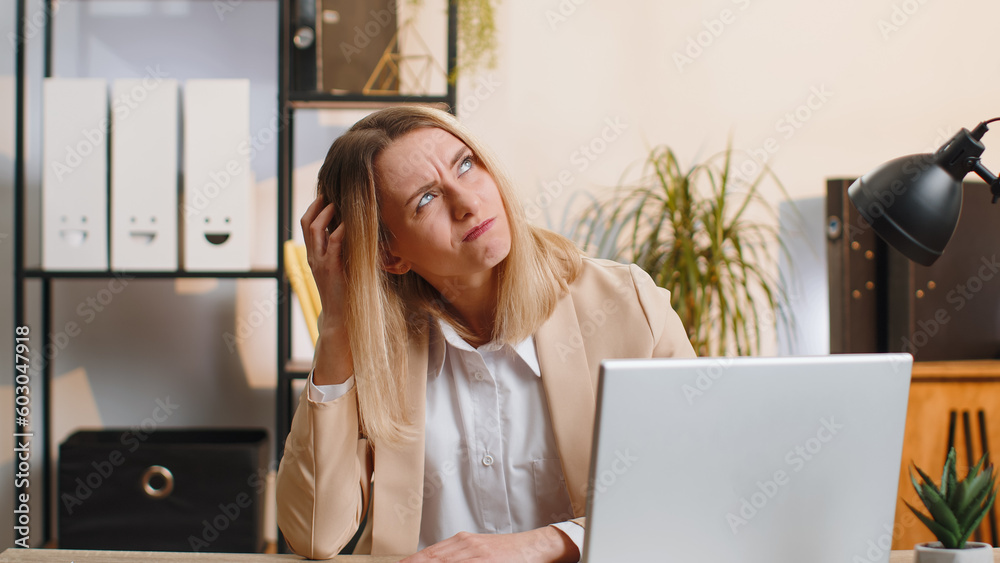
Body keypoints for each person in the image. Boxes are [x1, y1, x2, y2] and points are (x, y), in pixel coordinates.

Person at [276, 106, 696, 562]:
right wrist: (337, 324)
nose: (467, 203)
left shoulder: (627, 305)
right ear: (390, 254)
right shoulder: (371, 348)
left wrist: (545, 544)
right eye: (426, 199)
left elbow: (693, 487)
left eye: (465, 165)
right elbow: (316, 531)